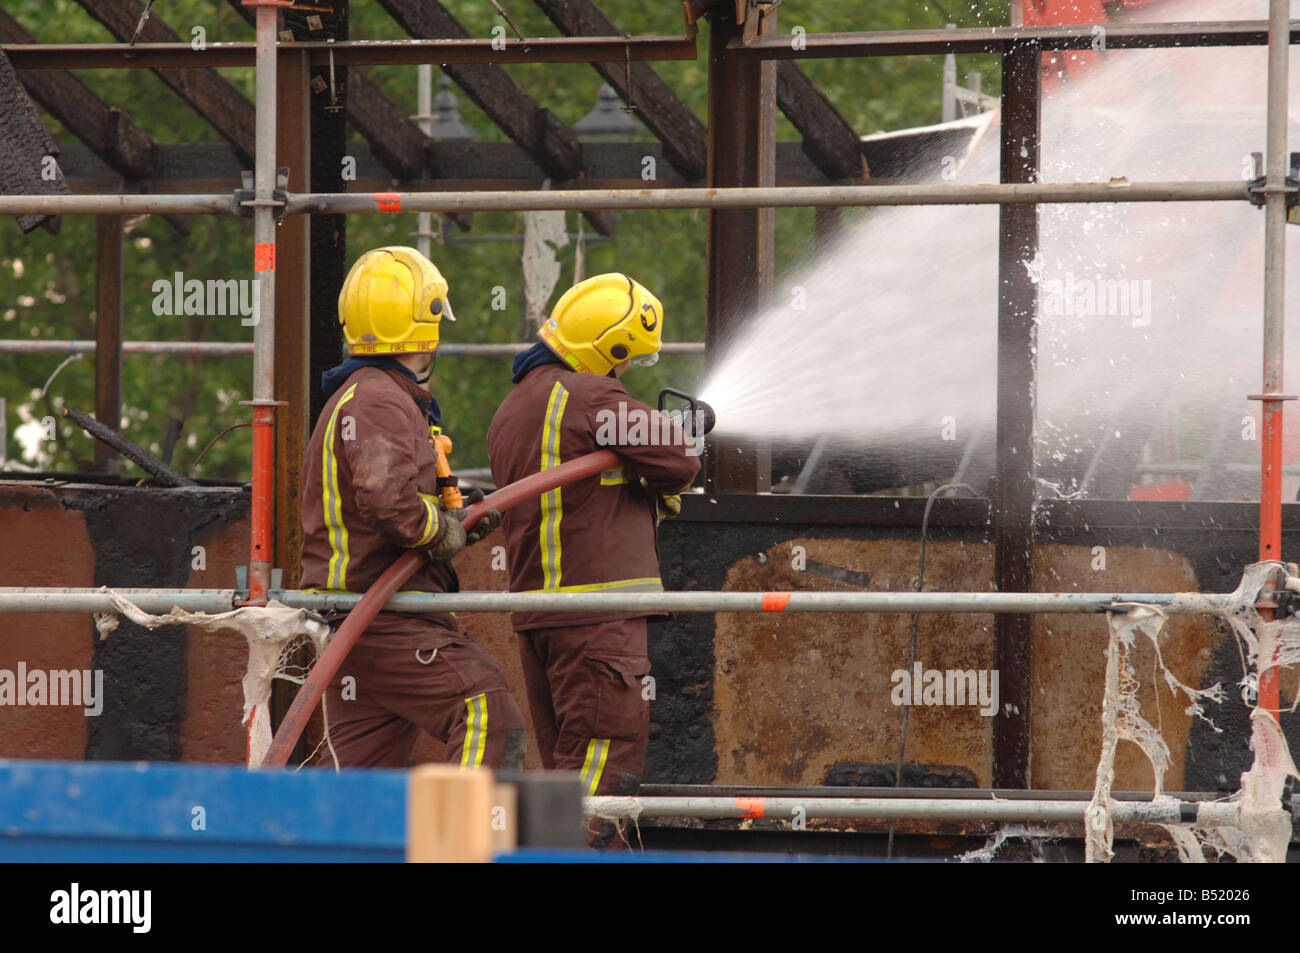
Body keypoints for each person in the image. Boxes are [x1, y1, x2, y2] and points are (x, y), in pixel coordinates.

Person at [488, 273, 700, 846]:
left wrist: (631, 472)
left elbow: (582, 482)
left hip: (545, 619)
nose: (628, 376)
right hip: (596, 622)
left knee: (567, 773)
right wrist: (658, 461)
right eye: (627, 359)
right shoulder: (588, 395)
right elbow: (680, 455)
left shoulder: (516, 405)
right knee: (600, 780)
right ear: (609, 351)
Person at [300, 245, 525, 770]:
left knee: (366, 788)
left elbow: (393, 499)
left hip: (358, 621)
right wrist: (442, 532)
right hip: (382, 615)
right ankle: (462, 851)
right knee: (487, 711)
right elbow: (389, 503)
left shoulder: (362, 393)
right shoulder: (379, 398)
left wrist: (457, 515)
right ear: (427, 325)